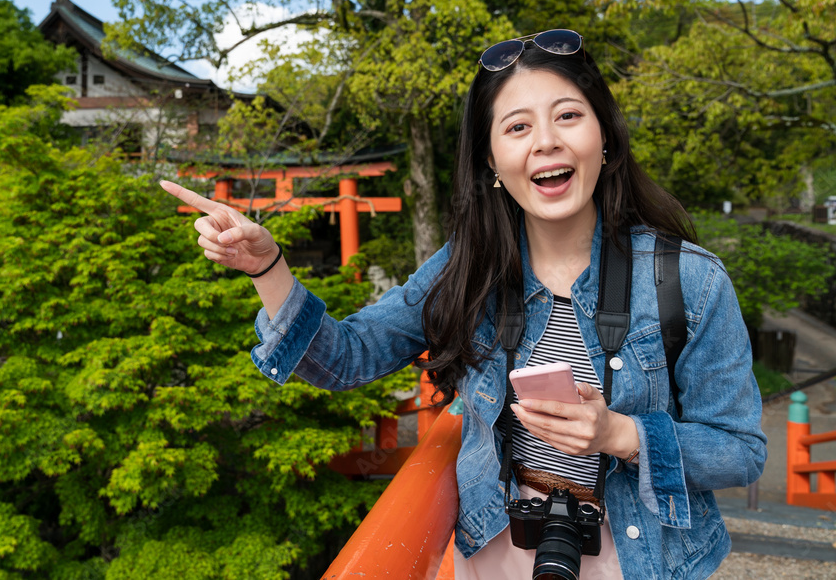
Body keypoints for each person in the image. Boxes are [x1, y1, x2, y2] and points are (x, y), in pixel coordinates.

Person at [160, 29, 767, 579]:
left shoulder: (686, 279)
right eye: (518, 127)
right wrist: (268, 265)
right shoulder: (466, 267)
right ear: (491, 160)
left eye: (568, 116)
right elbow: (347, 357)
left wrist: (621, 433)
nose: (546, 142)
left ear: (604, 137)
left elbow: (741, 452)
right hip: (500, 549)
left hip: (644, 557)